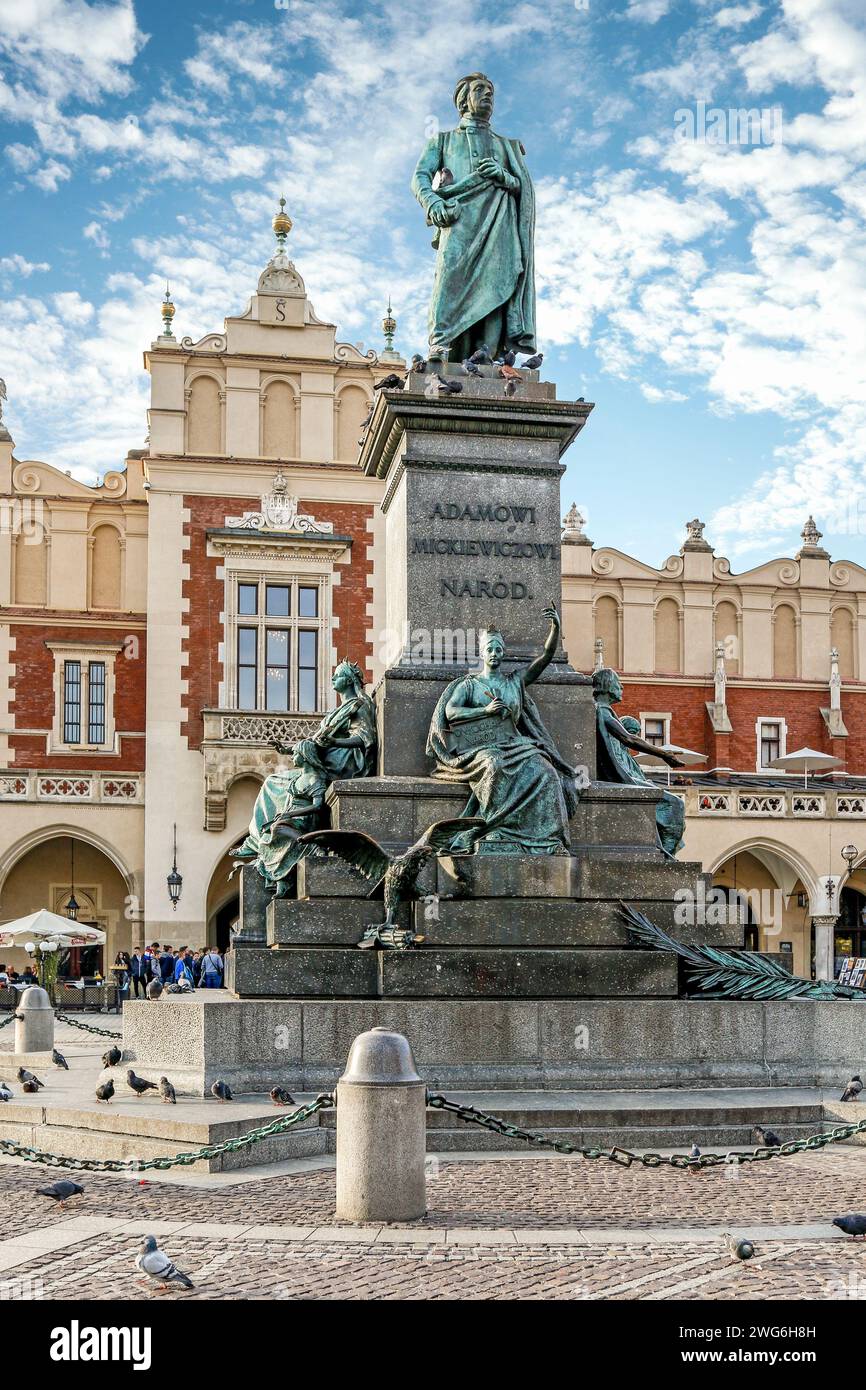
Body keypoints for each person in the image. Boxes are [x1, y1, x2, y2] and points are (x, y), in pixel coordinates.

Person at [427, 605, 578, 854]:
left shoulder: (514, 681)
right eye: (490, 649)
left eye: (498, 649)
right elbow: (451, 711)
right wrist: (484, 711)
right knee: (494, 765)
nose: (494, 653)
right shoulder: (470, 684)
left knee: (547, 771)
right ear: (482, 653)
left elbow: (545, 658)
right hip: (480, 746)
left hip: (514, 744)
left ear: (504, 653)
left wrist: (555, 629)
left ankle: (548, 839)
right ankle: (493, 830)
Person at [411, 72, 536, 363]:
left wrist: (503, 175)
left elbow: (522, 189)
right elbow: (419, 177)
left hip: (499, 224)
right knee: (448, 278)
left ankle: (486, 354)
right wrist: (432, 203)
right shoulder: (442, 141)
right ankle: (440, 346)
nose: (488, 94)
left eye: (491, 90)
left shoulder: (506, 146)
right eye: (481, 89)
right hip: (458, 221)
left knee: (499, 280)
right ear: (463, 100)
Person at [232, 659, 377, 896]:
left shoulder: (358, 705)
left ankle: (259, 842)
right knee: (273, 783)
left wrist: (334, 742)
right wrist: (287, 750)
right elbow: (311, 746)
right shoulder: (339, 710)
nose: (333, 678)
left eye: (338, 674)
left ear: (349, 680)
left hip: (343, 762)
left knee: (273, 784)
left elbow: (364, 738)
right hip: (327, 758)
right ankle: (260, 841)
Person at [591, 666, 684, 856]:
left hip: (616, 775)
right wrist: (664, 754)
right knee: (675, 804)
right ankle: (664, 858)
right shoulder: (602, 711)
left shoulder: (602, 711)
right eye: (618, 683)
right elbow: (629, 739)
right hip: (617, 778)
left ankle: (662, 854)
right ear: (608, 686)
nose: (622, 687)